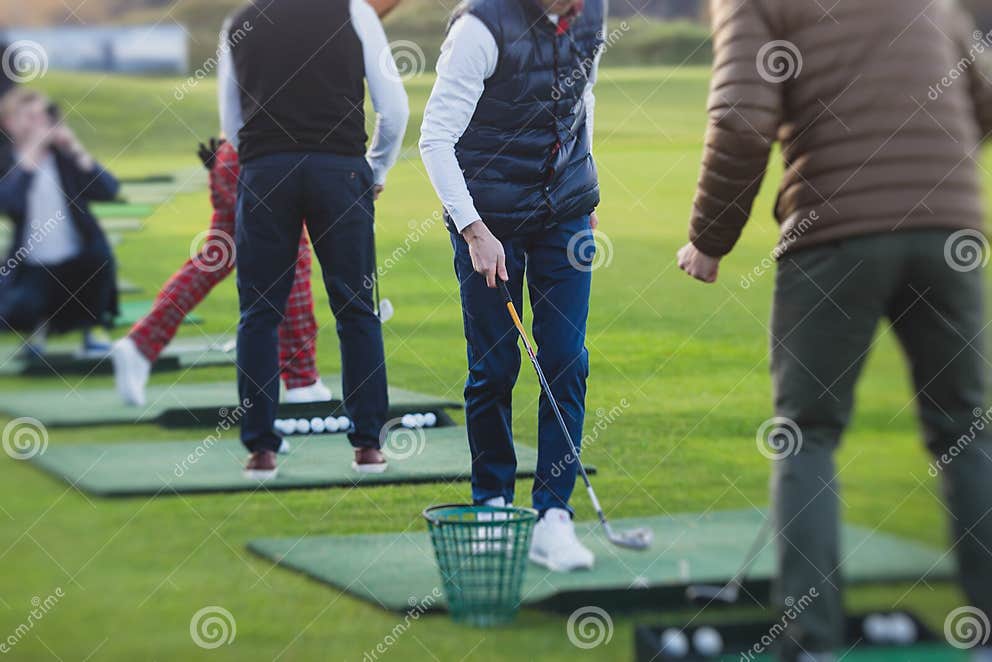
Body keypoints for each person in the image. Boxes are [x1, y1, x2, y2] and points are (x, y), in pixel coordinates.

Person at [677, 1, 992, 660]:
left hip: (834, 235)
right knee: (966, 430)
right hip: (951, 231)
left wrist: (710, 240)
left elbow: (741, 120)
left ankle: (810, 642)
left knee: (807, 434)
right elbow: (983, 99)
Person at [420, 0, 605, 571]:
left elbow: (583, 98)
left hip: (566, 211)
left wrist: (585, 188)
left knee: (566, 362)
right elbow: (435, 138)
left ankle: (554, 517)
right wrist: (473, 230)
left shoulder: (592, 15)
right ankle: (494, 506)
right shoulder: (480, 26)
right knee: (495, 367)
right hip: (488, 217)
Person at [219, 0, 409, 479]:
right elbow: (394, 106)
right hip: (339, 170)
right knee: (356, 308)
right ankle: (368, 446)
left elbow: (230, 119)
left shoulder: (239, 21)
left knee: (259, 313)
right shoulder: (354, 11)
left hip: (266, 173)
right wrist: (377, 168)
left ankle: (260, 450)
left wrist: (264, 161)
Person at [111, 138, 330, 408]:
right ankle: (302, 380)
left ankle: (142, 342)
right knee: (290, 266)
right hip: (264, 161)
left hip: (235, 157)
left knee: (214, 259)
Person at [0, 88, 119, 357]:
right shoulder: (7, 161)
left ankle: (92, 329)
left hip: (76, 262)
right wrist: (29, 162)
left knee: (100, 260)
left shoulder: (64, 157)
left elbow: (108, 190)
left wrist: (76, 149)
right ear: (9, 123)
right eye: (28, 116)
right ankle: (39, 329)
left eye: (41, 115)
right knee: (15, 311)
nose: (38, 122)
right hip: (31, 266)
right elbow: (10, 204)